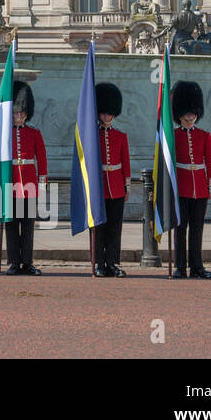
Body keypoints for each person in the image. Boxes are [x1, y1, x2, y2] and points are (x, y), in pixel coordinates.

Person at [171, 80, 211, 279]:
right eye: (186, 114)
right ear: (179, 114)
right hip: (181, 186)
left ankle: (197, 266)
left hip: (200, 186)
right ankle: (180, 266)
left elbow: (210, 162)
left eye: (192, 113)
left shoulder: (204, 135)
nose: (190, 117)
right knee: (180, 229)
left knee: (197, 229)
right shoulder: (172, 136)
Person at [3, 81, 47, 276]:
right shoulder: (4, 134)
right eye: (15, 113)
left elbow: (42, 158)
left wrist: (42, 182)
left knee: (28, 226)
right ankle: (13, 262)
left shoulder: (34, 133)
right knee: (11, 226)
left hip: (28, 184)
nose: (19, 116)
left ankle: (27, 262)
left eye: (21, 113)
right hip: (11, 183)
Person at [94, 82, 130, 278]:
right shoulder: (92, 135)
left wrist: (126, 186)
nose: (107, 117)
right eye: (103, 113)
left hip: (116, 187)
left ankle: (113, 262)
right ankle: (99, 262)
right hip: (99, 187)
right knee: (99, 228)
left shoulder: (120, 136)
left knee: (115, 228)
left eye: (110, 113)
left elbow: (125, 162)